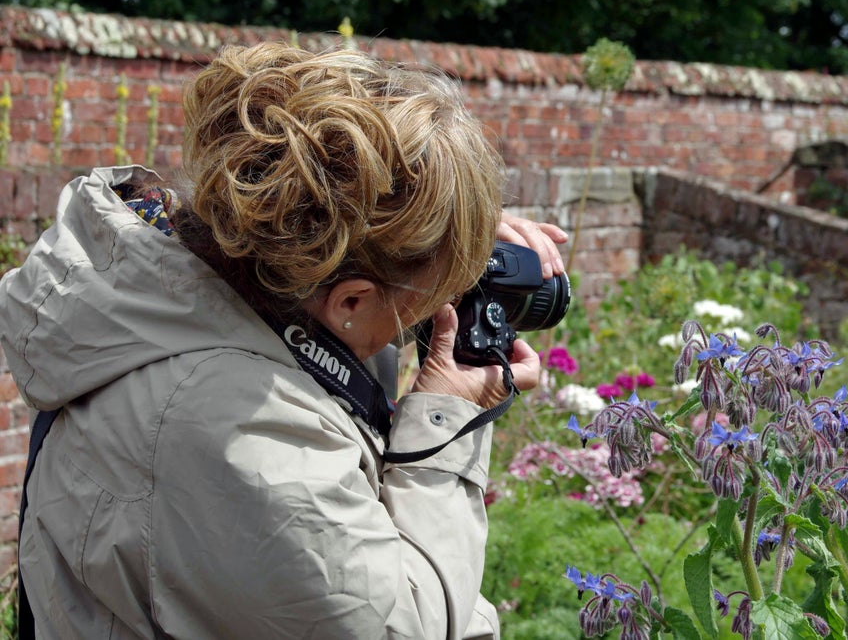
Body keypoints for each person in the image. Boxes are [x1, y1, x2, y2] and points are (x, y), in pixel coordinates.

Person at [0, 42, 566, 638]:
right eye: (433, 294)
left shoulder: (200, 282)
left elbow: (323, 340)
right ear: (349, 301)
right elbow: (403, 628)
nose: (444, 302)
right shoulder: (240, 432)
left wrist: (436, 237)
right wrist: (448, 426)